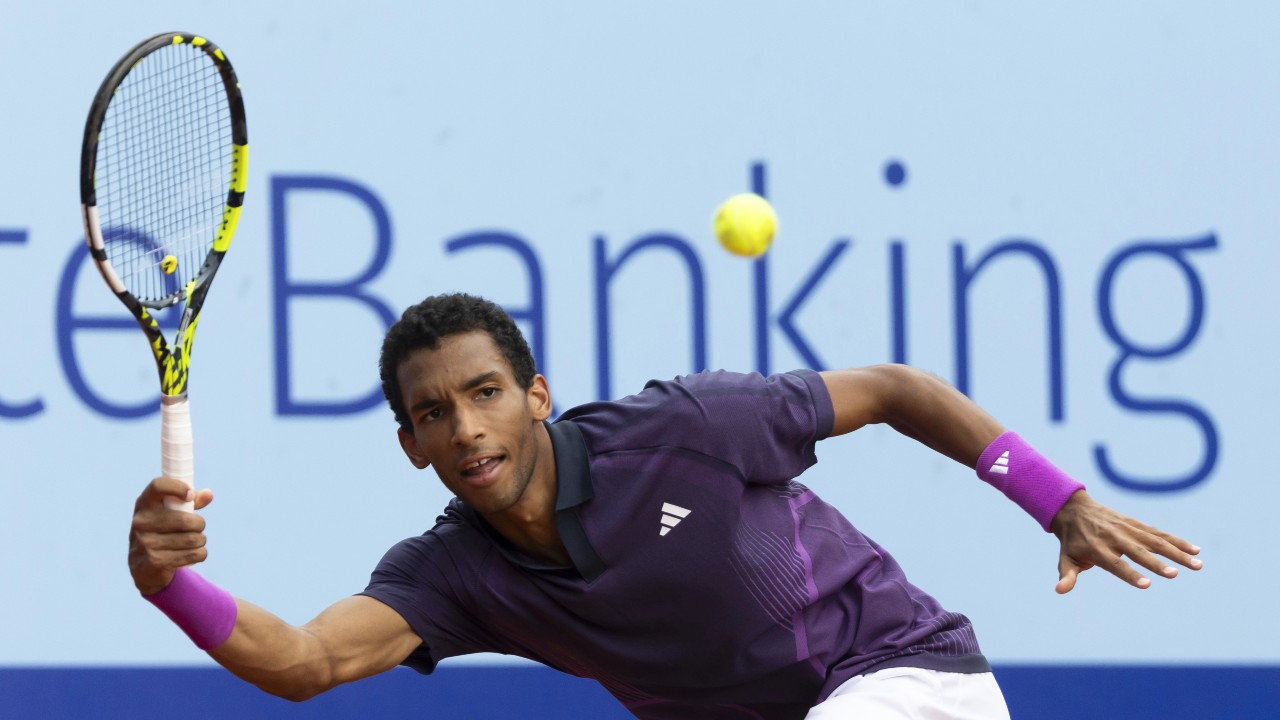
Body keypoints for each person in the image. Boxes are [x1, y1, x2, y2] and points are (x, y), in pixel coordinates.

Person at [129, 293, 1203, 719]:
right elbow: (307, 663)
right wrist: (171, 586)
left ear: (535, 396)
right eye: (432, 414)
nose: (464, 428)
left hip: (901, 679)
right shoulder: (452, 574)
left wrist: (1054, 500)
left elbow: (892, 391)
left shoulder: (681, 428)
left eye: (485, 393)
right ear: (409, 446)